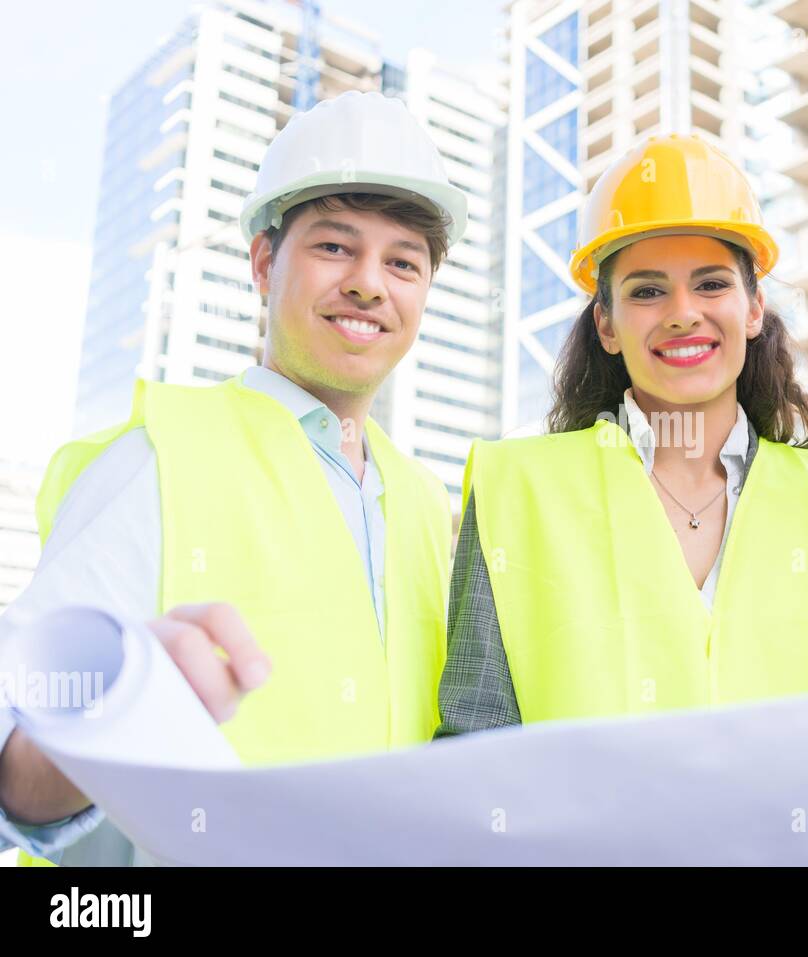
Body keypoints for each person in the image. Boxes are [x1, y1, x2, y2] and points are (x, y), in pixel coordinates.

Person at [0, 90, 466, 865]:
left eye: (403, 262)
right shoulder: (161, 454)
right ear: (262, 263)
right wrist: (119, 702)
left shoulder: (421, 501)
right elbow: (17, 764)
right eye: (333, 247)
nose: (368, 283)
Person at [436, 134, 808, 735]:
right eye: (648, 291)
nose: (683, 312)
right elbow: (476, 739)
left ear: (754, 308)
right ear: (606, 323)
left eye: (711, 284)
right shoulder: (515, 489)